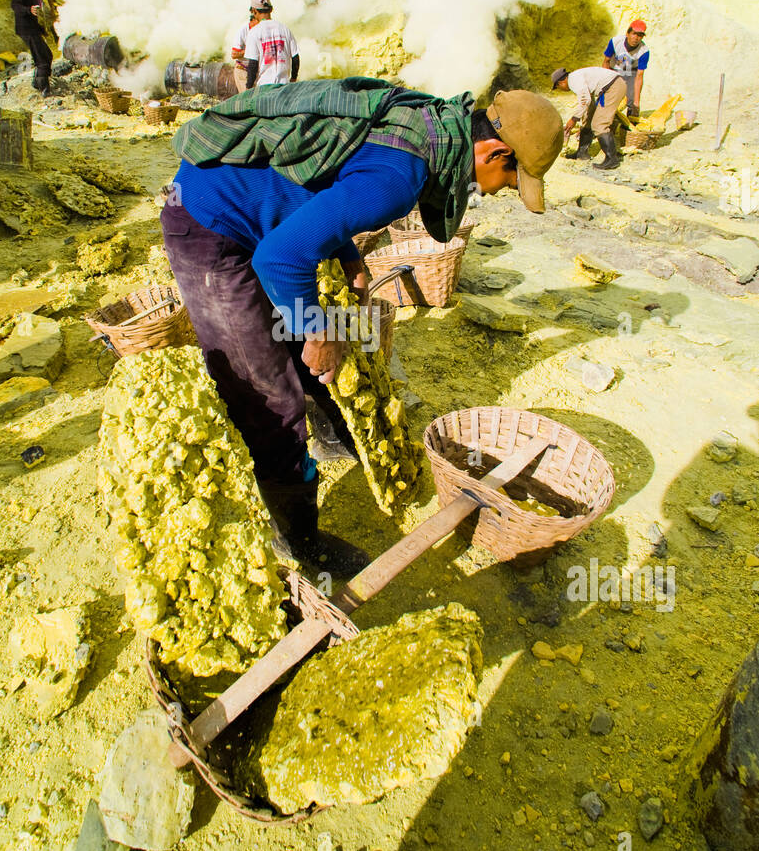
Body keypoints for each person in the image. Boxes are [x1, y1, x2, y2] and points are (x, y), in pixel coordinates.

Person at [161, 77, 563, 576]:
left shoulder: (430, 128)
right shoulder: (402, 177)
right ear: (495, 150)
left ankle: (332, 436)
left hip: (256, 213)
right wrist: (318, 332)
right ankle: (299, 539)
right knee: (268, 391)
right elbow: (281, 258)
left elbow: (327, 182)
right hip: (209, 222)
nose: (501, 190)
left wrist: (346, 249)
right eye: (511, 177)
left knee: (304, 345)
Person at [551, 65, 626, 170]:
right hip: (610, 86)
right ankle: (582, 153)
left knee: (599, 124)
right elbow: (588, 102)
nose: (561, 90)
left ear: (561, 82)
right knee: (588, 118)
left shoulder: (574, 81)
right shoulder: (576, 77)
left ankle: (612, 159)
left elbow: (585, 100)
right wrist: (583, 117)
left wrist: (574, 119)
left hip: (613, 87)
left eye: (558, 87)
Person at [10, 0, 53, 96]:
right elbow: (15, 5)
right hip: (26, 28)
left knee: (47, 55)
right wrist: (29, 10)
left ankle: (37, 82)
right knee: (42, 58)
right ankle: (43, 88)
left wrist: (41, 29)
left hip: (32, 28)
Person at [244, 0, 300, 89]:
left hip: (265, 87)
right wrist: (293, 78)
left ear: (254, 11)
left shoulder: (254, 32)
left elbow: (253, 64)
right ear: (271, 9)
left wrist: (248, 88)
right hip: (284, 86)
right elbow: (295, 58)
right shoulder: (285, 29)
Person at [603, 19, 649, 120]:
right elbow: (606, 61)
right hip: (613, 70)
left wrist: (636, 102)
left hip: (631, 72)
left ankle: (631, 125)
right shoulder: (615, 41)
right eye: (634, 34)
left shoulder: (644, 51)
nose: (636, 38)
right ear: (627, 33)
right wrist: (604, 83)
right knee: (606, 97)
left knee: (633, 102)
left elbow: (639, 76)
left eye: (640, 35)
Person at [230, 4, 257, 93]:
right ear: (253, 20)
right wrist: (249, 51)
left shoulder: (260, 30)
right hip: (243, 70)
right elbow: (234, 54)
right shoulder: (243, 31)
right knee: (247, 98)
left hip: (255, 70)